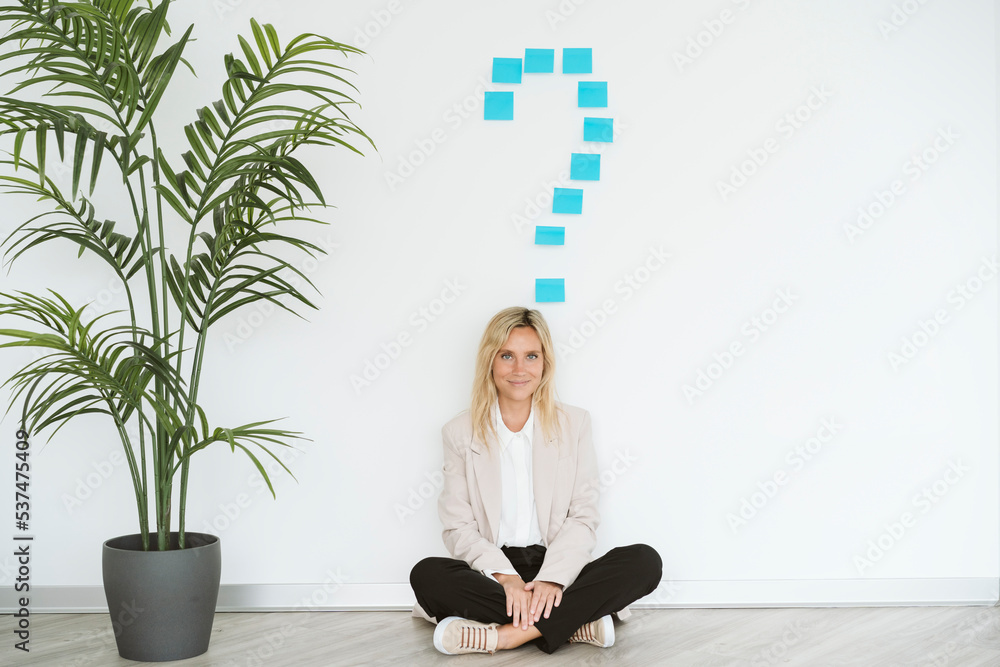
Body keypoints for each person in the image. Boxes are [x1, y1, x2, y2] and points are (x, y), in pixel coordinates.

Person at [409, 306, 662, 655]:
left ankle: (504, 636)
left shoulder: (574, 424)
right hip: (494, 573)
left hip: (557, 564)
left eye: (531, 356)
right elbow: (457, 527)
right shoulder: (459, 432)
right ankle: (576, 622)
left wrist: (551, 579)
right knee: (427, 574)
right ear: (490, 362)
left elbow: (583, 516)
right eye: (507, 356)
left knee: (644, 561)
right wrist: (507, 577)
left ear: (545, 363)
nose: (519, 369)